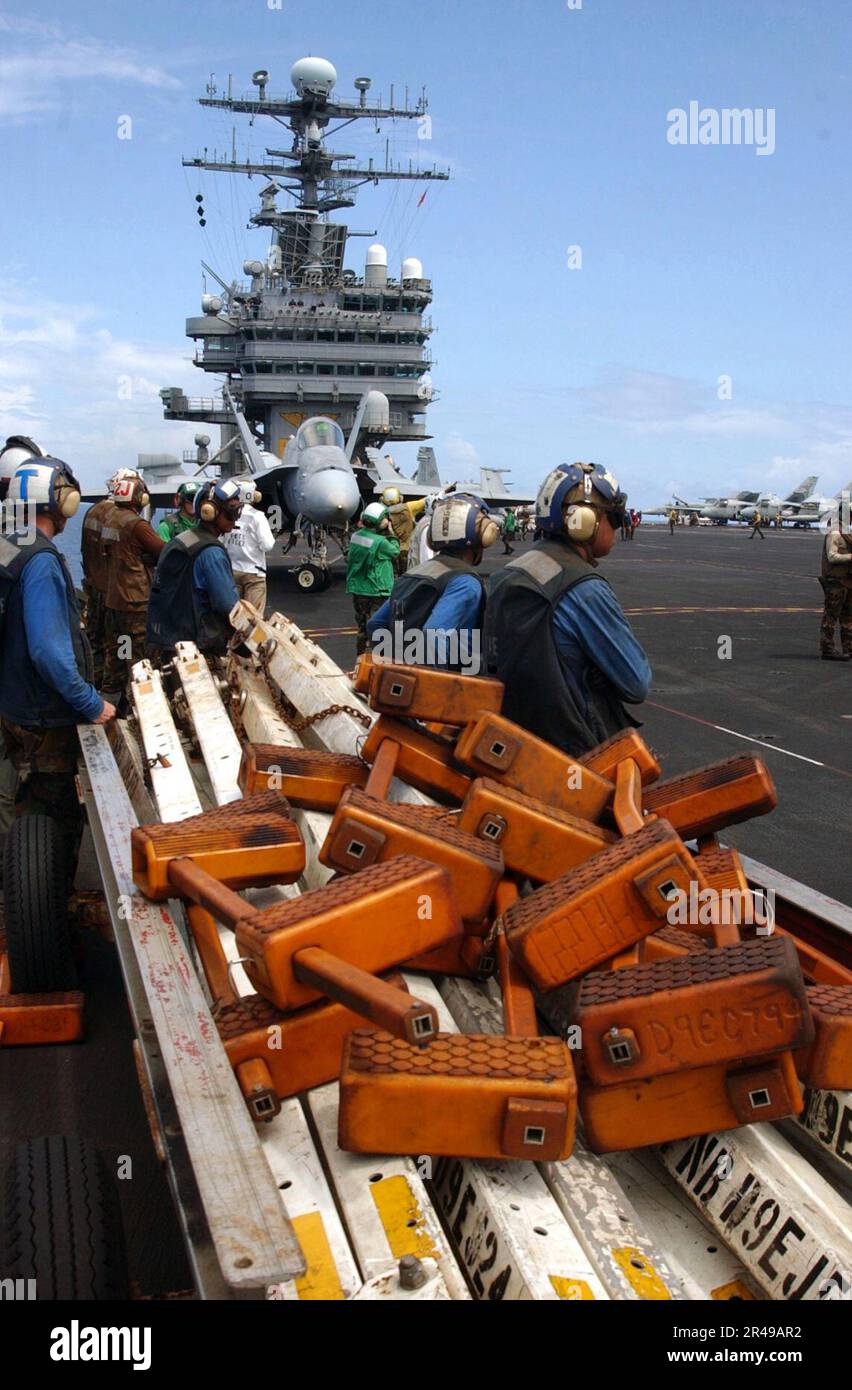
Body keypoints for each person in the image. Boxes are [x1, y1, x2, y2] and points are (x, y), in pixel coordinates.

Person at [483, 462, 652, 755]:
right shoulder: (583, 587)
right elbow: (637, 683)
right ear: (583, 521)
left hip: (511, 741)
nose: (617, 525)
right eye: (612, 517)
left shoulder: (509, 572)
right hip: (573, 756)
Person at [0, 457, 114, 879]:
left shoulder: (10, 542)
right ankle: (47, 907)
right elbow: (49, 652)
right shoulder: (43, 561)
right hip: (44, 717)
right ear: (60, 500)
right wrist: (91, 704)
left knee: (20, 797)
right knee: (54, 818)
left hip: (13, 706)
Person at [367, 494, 499, 669]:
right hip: (450, 686)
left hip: (403, 682)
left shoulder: (413, 573)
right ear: (482, 535)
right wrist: (431, 688)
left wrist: (397, 669)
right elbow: (433, 638)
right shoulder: (465, 583)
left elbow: (376, 624)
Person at [147, 479, 242, 660]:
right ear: (210, 512)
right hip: (198, 649)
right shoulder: (212, 553)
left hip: (168, 642)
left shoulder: (181, 539)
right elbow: (228, 606)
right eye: (231, 511)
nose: (235, 517)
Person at [102, 472, 164, 709]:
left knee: (117, 654)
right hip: (135, 601)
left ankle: (111, 704)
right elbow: (163, 550)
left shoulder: (110, 518)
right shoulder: (137, 524)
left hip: (114, 599)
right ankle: (140, 709)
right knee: (139, 659)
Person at [80, 468, 136, 688]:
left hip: (94, 589)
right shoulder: (120, 517)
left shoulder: (92, 511)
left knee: (95, 642)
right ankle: (118, 691)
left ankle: (93, 686)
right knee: (123, 644)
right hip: (115, 595)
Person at [345, 502, 400, 655]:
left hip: (358, 589)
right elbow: (395, 551)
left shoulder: (356, 537)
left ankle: (360, 659)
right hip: (377, 591)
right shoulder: (381, 542)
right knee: (380, 628)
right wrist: (391, 532)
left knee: (362, 628)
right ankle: (378, 662)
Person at [221, 485, 276, 614]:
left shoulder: (228, 514)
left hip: (233, 570)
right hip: (254, 573)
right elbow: (268, 545)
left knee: (234, 616)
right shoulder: (257, 516)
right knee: (254, 620)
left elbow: (221, 541)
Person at [819, 515, 852, 661]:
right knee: (831, 616)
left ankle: (848, 648)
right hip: (835, 582)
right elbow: (831, 556)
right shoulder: (834, 533)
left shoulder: (846, 533)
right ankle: (827, 649)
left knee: (848, 616)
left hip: (847, 580)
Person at [381, 486, 427, 576]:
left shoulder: (382, 513)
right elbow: (425, 501)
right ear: (400, 498)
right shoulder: (409, 507)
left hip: (390, 551)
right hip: (407, 551)